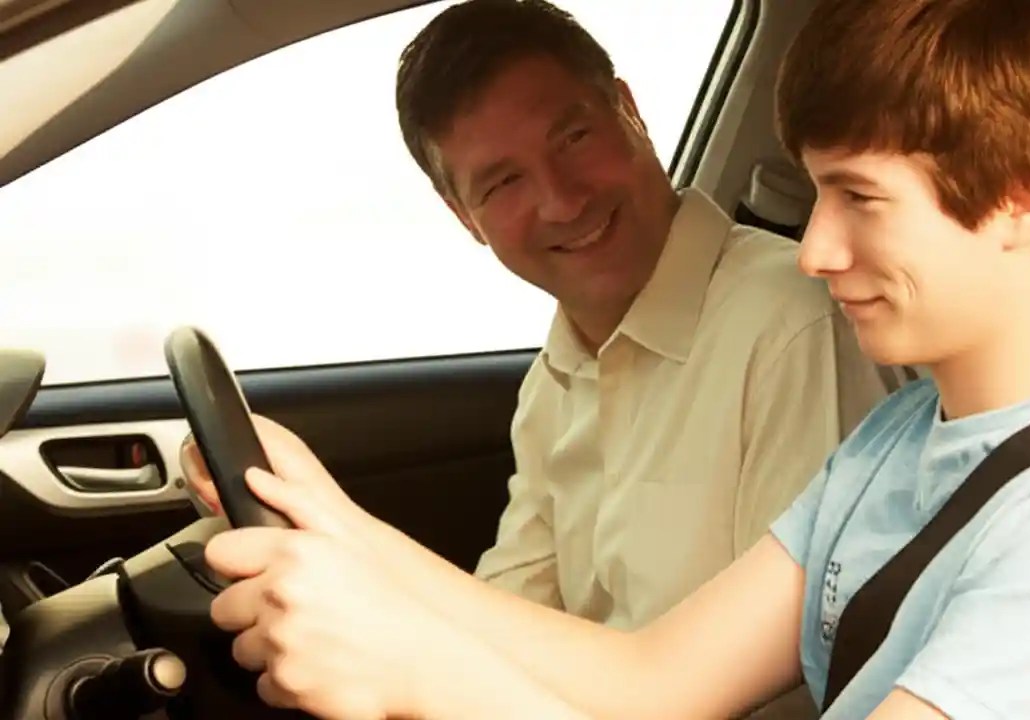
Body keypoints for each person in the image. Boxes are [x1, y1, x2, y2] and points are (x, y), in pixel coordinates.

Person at [189, 0, 1030, 717]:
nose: (816, 250)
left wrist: (418, 677)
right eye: (820, 193)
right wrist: (341, 530)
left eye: (860, 198)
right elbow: (653, 683)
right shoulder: (907, 431)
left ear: (1021, 199)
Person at [187, 0, 884, 644]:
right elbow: (509, 616)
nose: (561, 200)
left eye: (573, 138)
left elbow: (796, 674)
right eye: (504, 182)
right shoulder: (557, 376)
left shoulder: (792, 325)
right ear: (466, 218)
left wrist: (349, 548)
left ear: (629, 111)